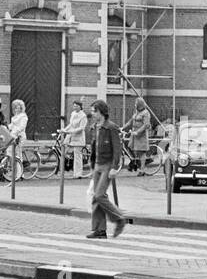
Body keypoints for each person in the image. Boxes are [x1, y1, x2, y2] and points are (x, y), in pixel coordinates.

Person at [87, 100, 130, 239]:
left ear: (101, 112)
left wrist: (115, 167)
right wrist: (92, 164)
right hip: (97, 165)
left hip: (107, 165)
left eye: (94, 111)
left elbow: (117, 149)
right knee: (96, 197)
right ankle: (100, 230)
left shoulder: (111, 127)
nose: (92, 113)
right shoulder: (95, 127)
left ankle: (119, 219)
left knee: (100, 195)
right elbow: (94, 147)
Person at [63, 99, 89, 179]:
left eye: (77, 106)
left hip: (79, 137)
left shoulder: (83, 116)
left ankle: (78, 174)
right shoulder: (73, 113)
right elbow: (71, 124)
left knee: (78, 156)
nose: (75, 107)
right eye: (74, 106)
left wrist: (71, 131)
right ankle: (73, 171)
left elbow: (81, 128)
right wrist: (65, 130)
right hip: (72, 136)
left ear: (80, 107)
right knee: (66, 150)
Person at [126, 99, 151, 171]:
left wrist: (138, 132)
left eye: (136, 103)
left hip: (141, 135)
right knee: (129, 147)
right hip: (134, 135)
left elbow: (146, 125)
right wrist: (122, 127)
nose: (135, 105)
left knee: (141, 152)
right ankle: (134, 162)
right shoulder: (136, 112)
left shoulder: (146, 113)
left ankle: (142, 170)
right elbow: (130, 121)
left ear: (140, 104)